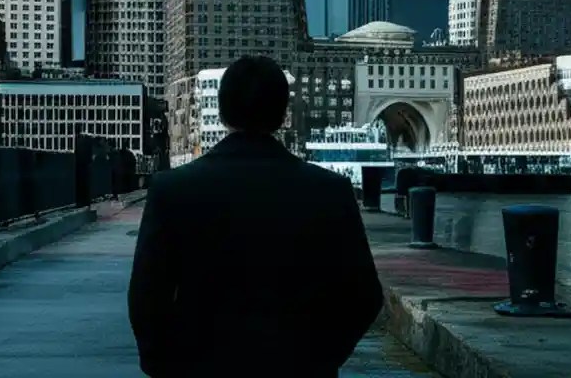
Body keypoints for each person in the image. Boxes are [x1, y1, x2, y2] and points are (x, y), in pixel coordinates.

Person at [128, 55, 384, 377]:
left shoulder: (172, 190)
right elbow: (364, 296)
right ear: (282, 114)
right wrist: (321, 359)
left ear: (221, 112)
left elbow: (146, 296)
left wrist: (163, 364)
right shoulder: (329, 191)